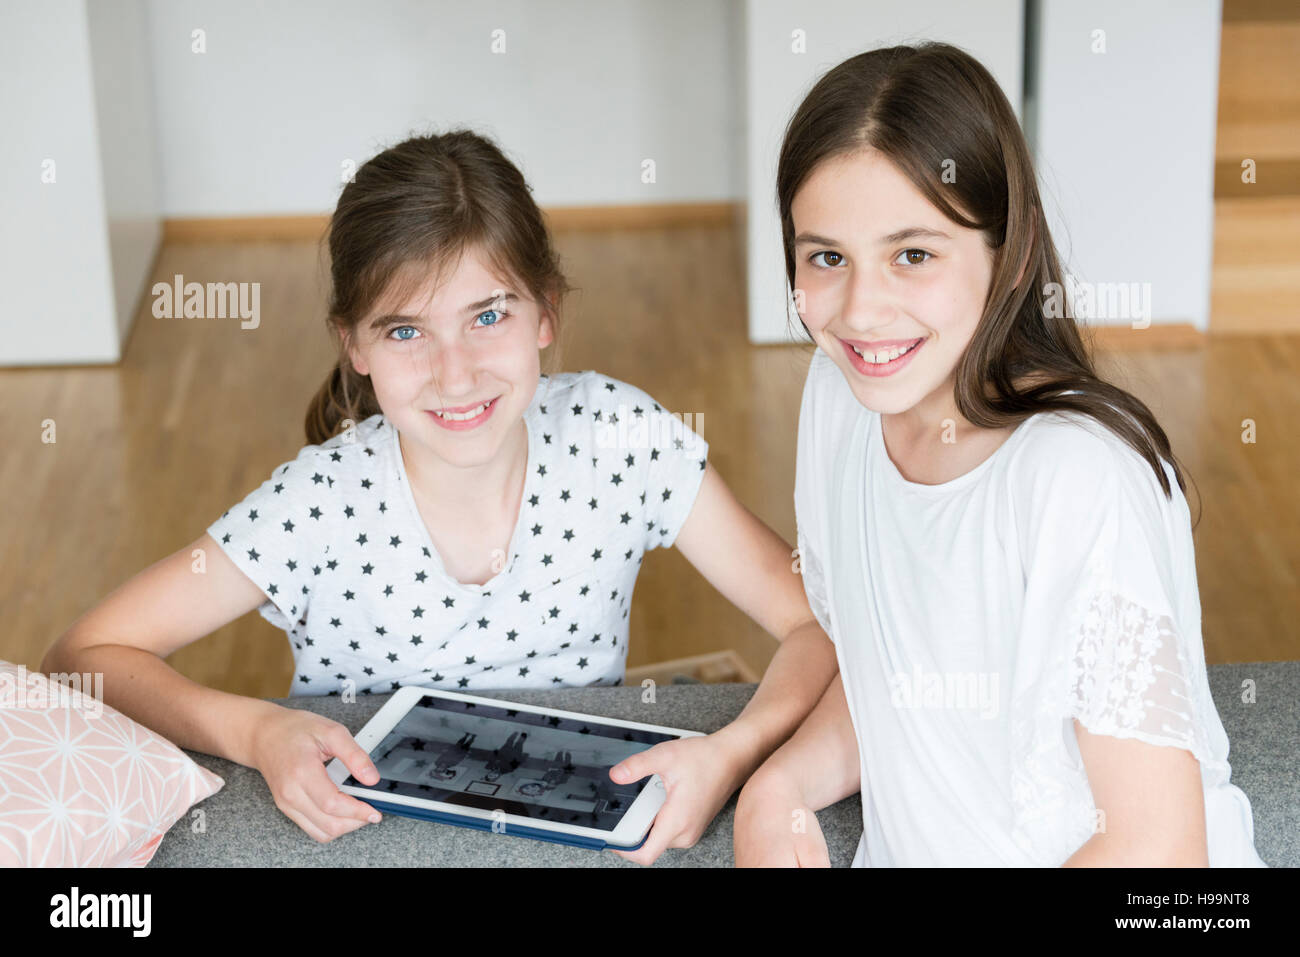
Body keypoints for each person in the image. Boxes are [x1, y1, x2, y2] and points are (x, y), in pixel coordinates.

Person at [42, 130, 837, 865]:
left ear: (546, 313)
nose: (455, 374)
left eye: (487, 315)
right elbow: (85, 657)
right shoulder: (316, 503)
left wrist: (736, 753)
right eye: (405, 332)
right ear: (354, 344)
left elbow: (817, 621)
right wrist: (254, 727)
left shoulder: (619, 437)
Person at [733, 42, 1266, 867]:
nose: (862, 311)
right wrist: (781, 786)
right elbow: (897, 677)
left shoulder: (1075, 479)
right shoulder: (838, 399)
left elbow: (1158, 850)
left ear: (1010, 255)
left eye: (913, 254)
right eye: (827, 257)